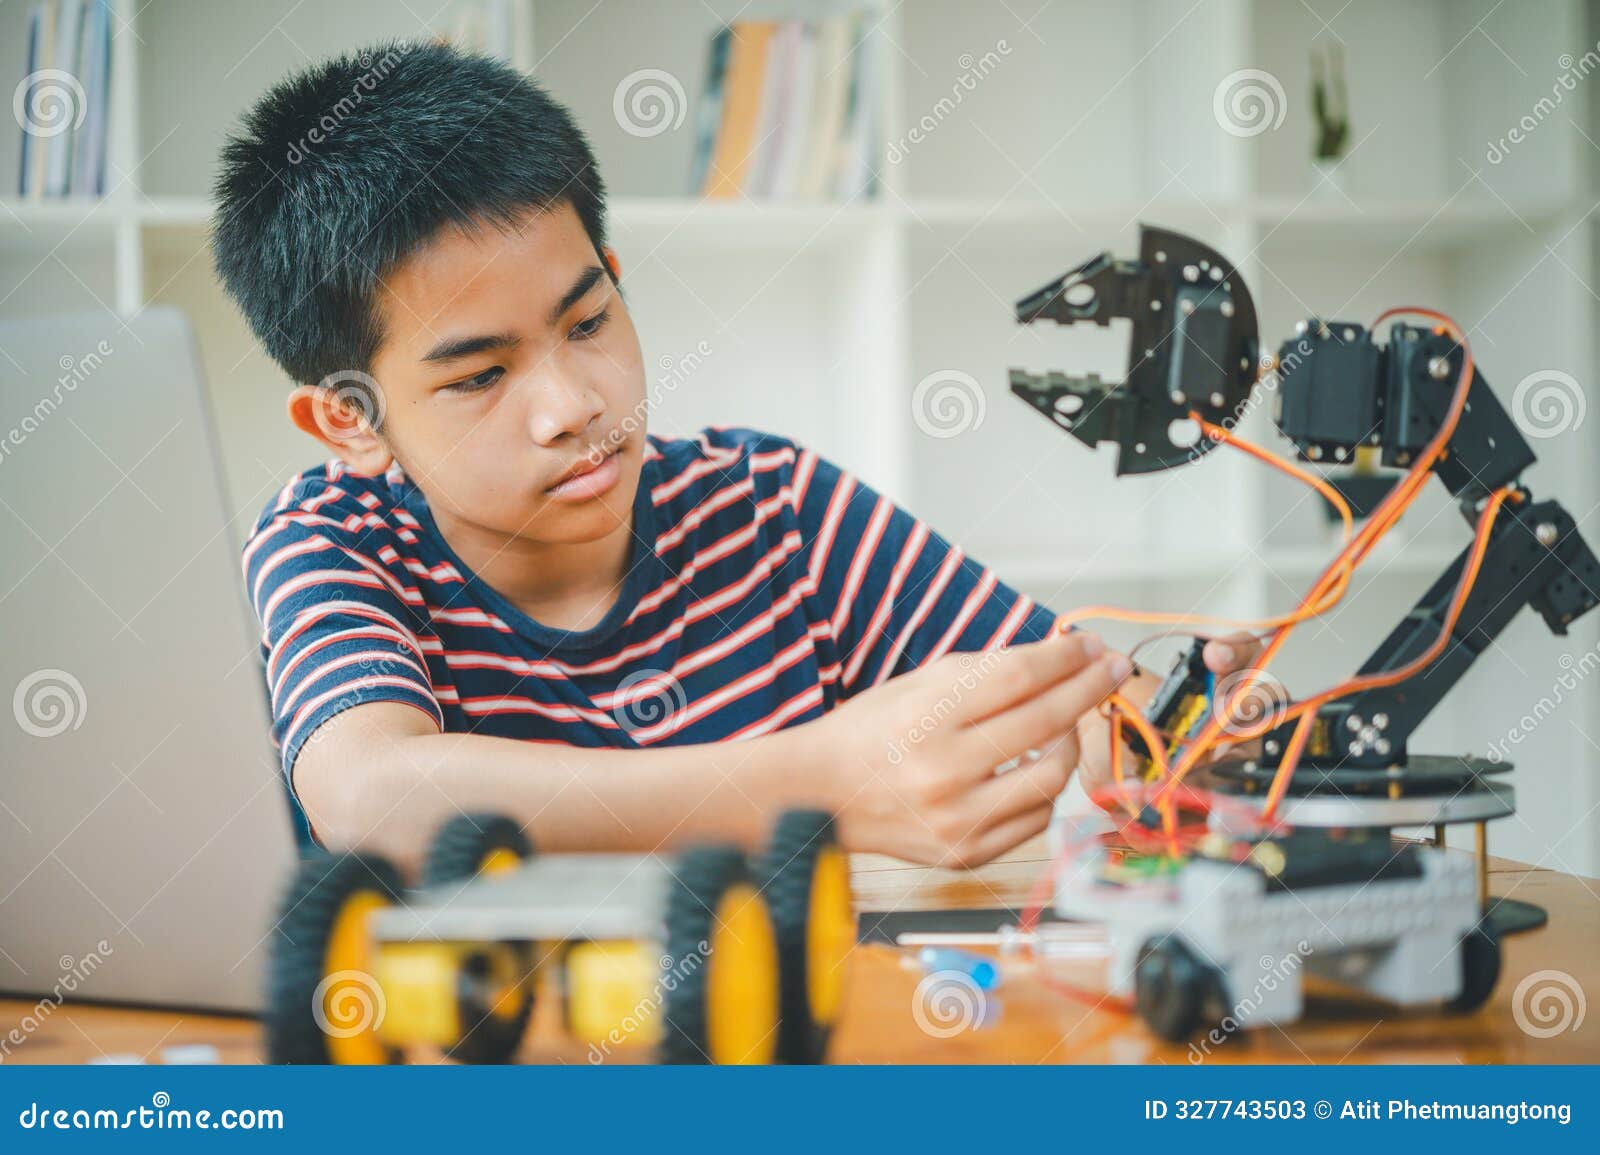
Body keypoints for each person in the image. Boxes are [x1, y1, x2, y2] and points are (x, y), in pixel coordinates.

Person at [214, 42, 1257, 875]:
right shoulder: (331, 540)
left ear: (615, 279)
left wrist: (1186, 728)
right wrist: (821, 791)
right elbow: (371, 801)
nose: (574, 406)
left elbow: (1056, 718)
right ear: (349, 420)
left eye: (587, 323)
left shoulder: (772, 507)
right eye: (479, 377)